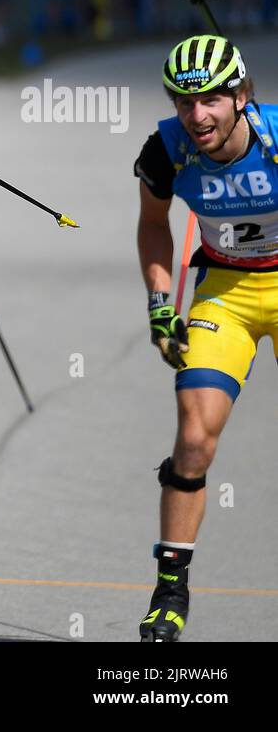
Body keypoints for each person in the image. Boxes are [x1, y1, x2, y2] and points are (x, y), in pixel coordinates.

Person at [133, 35, 276, 641]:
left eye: (212, 101)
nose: (198, 117)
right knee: (193, 437)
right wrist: (161, 305)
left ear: (241, 96)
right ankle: (170, 591)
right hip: (226, 287)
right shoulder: (167, 149)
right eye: (184, 102)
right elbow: (152, 225)